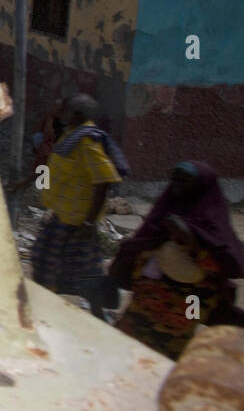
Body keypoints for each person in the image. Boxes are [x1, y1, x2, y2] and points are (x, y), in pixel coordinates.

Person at [106, 162, 244, 358]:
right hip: (149, 297)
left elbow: (226, 264)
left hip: (190, 300)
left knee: (171, 347)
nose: (178, 185)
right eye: (175, 180)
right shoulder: (166, 209)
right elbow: (141, 242)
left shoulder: (212, 220)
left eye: (185, 181)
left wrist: (191, 241)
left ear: (200, 187)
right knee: (129, 346)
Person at [28, 93, 129, 318]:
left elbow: (103, 181)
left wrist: (89, 222)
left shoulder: (87, 141)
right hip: (62, 216)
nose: (62, 114)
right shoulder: (71, 136)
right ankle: (44, 311)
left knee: (83, 275)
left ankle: (96, 315)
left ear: (78, 115)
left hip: (76, 223)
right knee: (45, 264)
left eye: (67, 110)